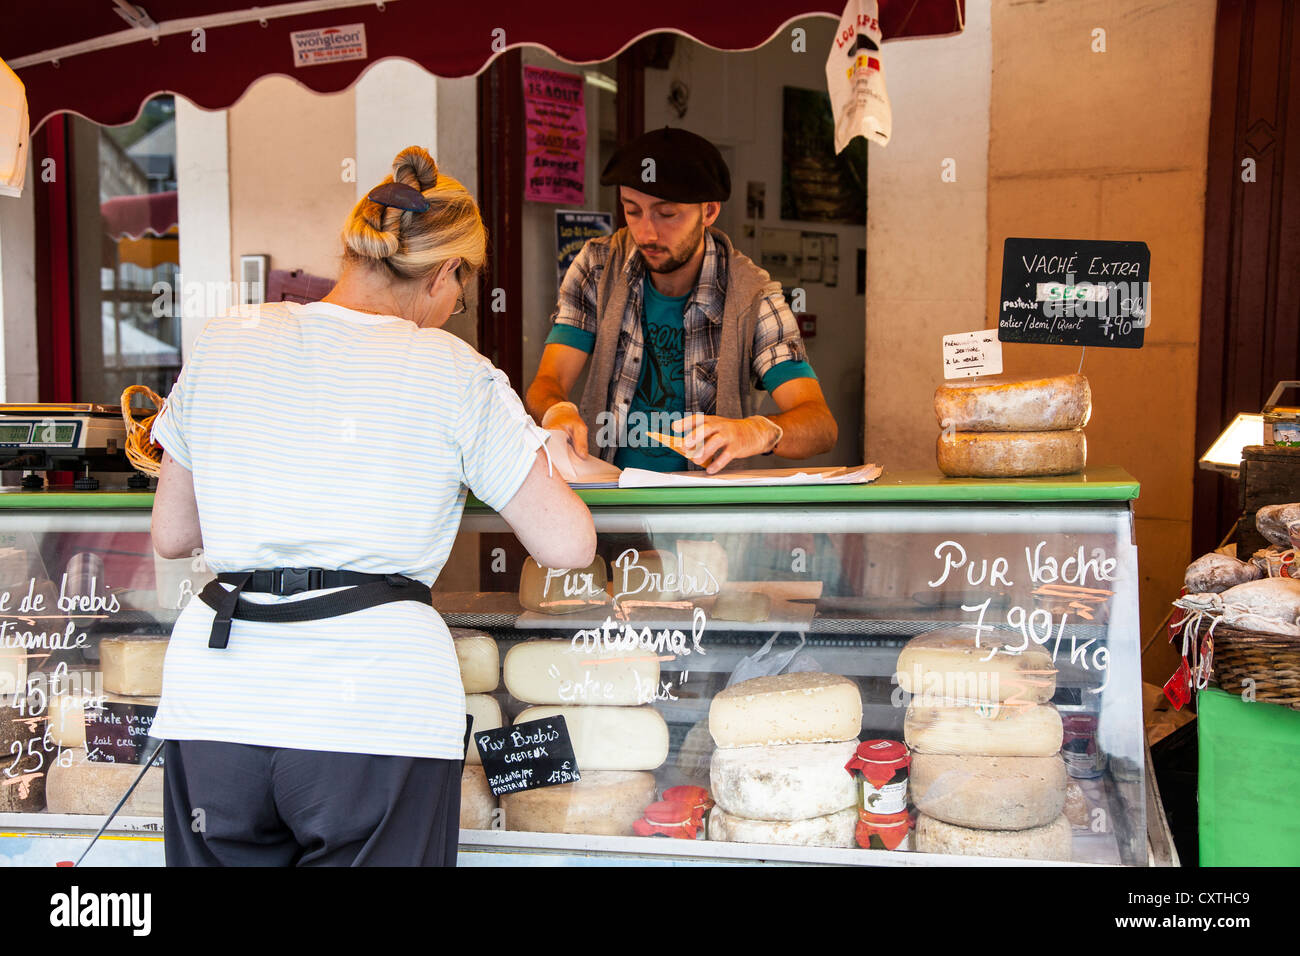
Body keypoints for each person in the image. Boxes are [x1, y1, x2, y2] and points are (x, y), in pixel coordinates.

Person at [148, 146, 595, 866]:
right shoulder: (451, 368)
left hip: (219, 705)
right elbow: (568, 545)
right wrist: (533, 451)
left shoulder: (225, 339)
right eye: (461, 294)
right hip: (373, 716)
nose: (454, 313)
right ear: (446, 274)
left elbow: (172, 533)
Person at [526, 127, 838, 474]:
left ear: (709, 210)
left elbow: (821, 426)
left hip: (706, 518)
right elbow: (547, 382)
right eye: (633, 211)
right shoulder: (598, 268)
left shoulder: (753, 297)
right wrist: (556, 408)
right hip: (608, 501)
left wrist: (758, 431)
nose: (647, 233)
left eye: (667, 214)